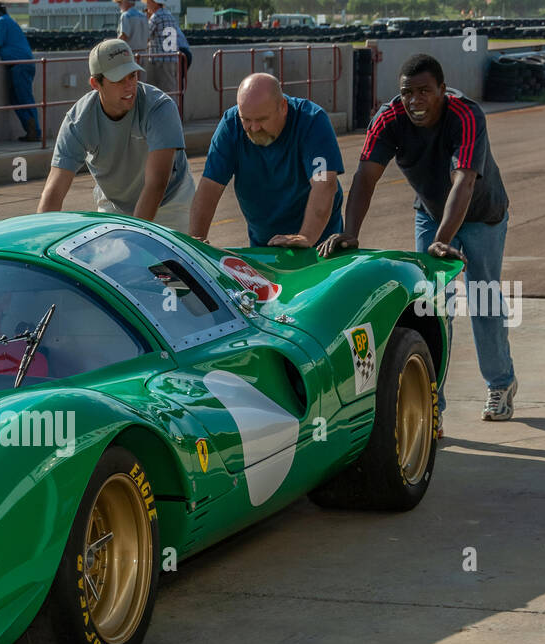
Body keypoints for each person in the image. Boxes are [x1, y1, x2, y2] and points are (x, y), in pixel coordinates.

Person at [318, 53, 518, 429]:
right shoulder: (389, 119)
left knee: (483, 299)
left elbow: (465, 181)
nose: (415, 101)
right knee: (431, 308)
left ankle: (501, 384)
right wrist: (350, 231)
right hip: (429, 213)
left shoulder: (466, 115)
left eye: (425, 91)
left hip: (482, 216)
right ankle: (432, 404)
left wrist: (442, 241)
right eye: (408, 92)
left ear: (442, 90)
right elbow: (365, 177)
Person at [37, 39, 195, 232]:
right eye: (119, 80)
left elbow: (157, 183)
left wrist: (135, 235)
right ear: (96, 83)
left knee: (175, 261)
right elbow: (54, 190)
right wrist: (41, 235)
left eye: (132, 75)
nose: (129, 86)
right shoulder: (78, 121)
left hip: (170, 201)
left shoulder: (160, 108)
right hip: (114, 203)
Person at [190, 72, 343, 248]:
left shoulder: (311, 120)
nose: (254, 128)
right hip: (265, 244)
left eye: (262, 119)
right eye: (246, 120)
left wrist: (305, 237)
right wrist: (196, 244)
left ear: (283, 107)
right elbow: (209, 186)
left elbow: (323, 183)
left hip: (319, 243)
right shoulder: (231, 124)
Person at [0, 2, 40, 142]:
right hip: (24, 63)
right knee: (18, 98)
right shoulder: (9, 21)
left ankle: (34, 131)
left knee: (23, 99)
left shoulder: (1, 22)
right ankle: (31, 129)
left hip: (19, 65)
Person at [143, 0, 191, 94]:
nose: (147, 5)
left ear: (155, 3)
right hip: (173, 58)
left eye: (148, 2)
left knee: (157, 92)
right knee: (171, 91)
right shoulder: (169, 15)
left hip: (159, 61)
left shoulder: (155, 17)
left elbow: (145, 37)